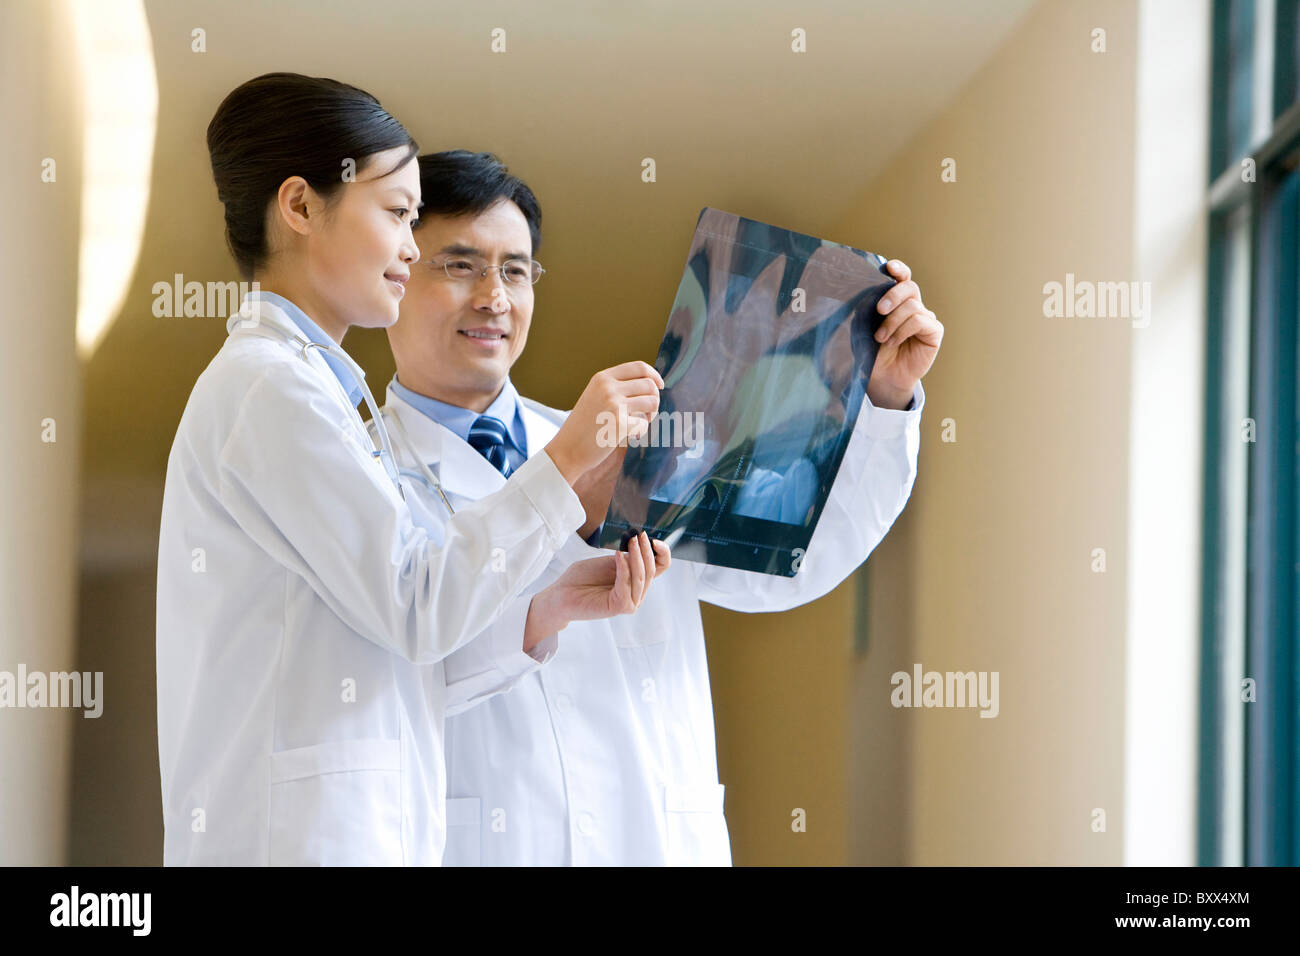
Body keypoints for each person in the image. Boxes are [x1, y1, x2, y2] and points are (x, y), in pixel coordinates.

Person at [155, 74, 668, 866]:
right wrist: (567, 457)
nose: (408, 246)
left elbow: (399, 651)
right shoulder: (268, 386)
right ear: (299, 206)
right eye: (397, 213)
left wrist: (541, 612)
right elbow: (418, 603)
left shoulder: (315, 390)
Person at [379, 150, 942, 865]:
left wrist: (886, 396)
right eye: (460, 265)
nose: (494, 296)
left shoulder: (649, 444)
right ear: (395, 274)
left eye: (515, 270)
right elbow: (376, 686)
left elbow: (790, 568)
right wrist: (560, 508)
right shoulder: (360, 478)